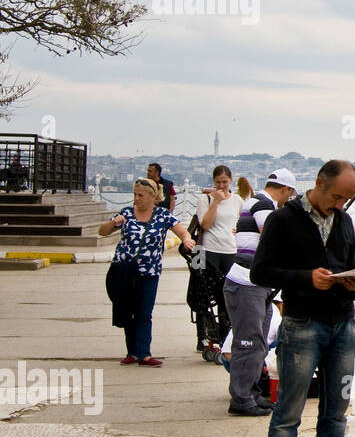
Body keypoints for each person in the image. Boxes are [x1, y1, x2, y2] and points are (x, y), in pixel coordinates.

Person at [251, 159, 355, 437]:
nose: (341, 205)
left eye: (348, 199)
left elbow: (350, 264)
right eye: (337, 196)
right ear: (318, 182)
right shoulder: (282, 220)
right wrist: (305, 278)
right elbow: (261, 272)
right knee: (288, 412)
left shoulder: (344, 221)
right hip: (302, 324)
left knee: (336, 411)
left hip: (342, 324)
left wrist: (354, 283)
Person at [99, 177, 196, 366]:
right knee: (127, 311)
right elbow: (102, 231)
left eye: (141, 195)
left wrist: (187, 239)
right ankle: (132, 352)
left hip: (149, 272)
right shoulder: (126, 213)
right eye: (135, 195)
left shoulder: (162, 215)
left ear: (153, 196)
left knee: (144, 313)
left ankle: (144, 353)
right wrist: (113, 223)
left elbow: (183, 232)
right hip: (125, 270)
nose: (137, 199)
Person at [223, 169, 296, 416]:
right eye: (290, 194)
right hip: (247, 284)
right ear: (286, 189)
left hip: (256, 284)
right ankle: (242, 399)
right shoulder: (264, 204)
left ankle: (252, 393)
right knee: (248, 342)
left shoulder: (255, 201)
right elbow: (271, 235)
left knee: (258, 342)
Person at [196, 165, 241, 343]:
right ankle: (203, 338)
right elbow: (205, 224)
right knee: (204, 297)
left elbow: (241, 220)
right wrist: (215, 201)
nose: (222, 186)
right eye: (218, 183)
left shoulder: (237, 200)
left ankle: (225, 336)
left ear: (231, 181)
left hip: (230, 250)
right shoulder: (204, 199)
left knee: (226, 296)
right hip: (208, 250)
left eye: (225, 182)